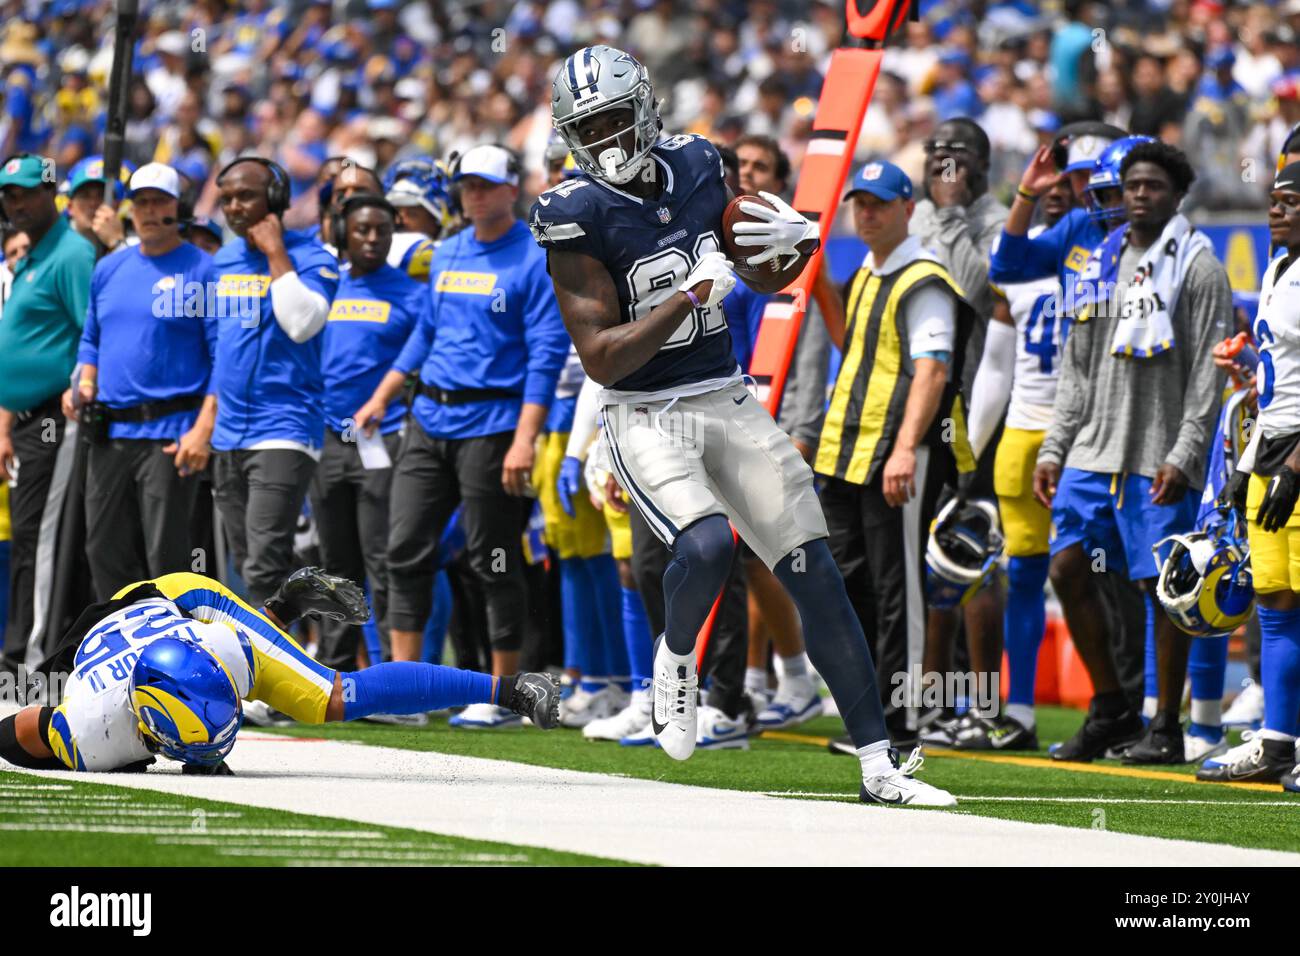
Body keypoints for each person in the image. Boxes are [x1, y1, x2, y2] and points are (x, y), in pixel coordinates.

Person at [533, 45, 953, 805]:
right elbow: (601, 358)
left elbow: (754, 271)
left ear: (647, 109)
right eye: (587, 129)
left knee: (815, 576)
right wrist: (689, 297)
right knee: (705, 542)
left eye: (616, 121)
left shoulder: (698, 163)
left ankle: (878, 766)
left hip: (724, 394)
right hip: (642, 413)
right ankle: (676, 657)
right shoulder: (574, 211)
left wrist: (782, 251)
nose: (607, 143)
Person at [354, 144, 569, 727]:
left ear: (511, 190)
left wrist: (526, 438)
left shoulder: (532, 258)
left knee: (491, 558)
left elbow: (545, 356)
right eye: (467, 185)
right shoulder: (447, 251)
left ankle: (505, 694)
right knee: (403, 549)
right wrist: (381, 396)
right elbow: (425, 333)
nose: (474, 193)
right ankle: (404, 691)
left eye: (485, 184)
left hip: (496, 423)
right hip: (430, 417)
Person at [1033, 142, 1231, 764]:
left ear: (1175, 196)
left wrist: (1187, 450)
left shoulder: (1199, 266)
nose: (1137, 196)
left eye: (1151, 187)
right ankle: (1111, 708)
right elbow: (1076, 367)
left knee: (1160, 590)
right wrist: (1055, 446)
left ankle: (1166, 727)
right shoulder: (1096, 264)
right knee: (1067, 568)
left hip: (1158, 453)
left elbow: (1209, 373)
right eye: (1128, 187)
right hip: (1092, 448)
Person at [0, 568, 560, 774]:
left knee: (328, 697)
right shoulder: (91, 729)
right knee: (54, 695)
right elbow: (15, 733)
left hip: (186, 605)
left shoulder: (223, 645)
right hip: (99, 640)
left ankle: (513, 689)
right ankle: (280, 609)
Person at [816, 159, 977, 745]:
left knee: (898, 589)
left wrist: (907, 448)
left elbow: (932, 373)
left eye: (880, 203)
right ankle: (871, 716)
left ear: (908, 209)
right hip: (851, 449)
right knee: (853, 582)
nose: (867, 212)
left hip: (893, 451)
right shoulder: (866, 269)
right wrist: (818, 289)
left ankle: (902, 722)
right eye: (860, 202)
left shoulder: (923, 278)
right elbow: (855, 349)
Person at [960, 171, 1075, 749]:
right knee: (1024, 573)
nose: (1058, 192)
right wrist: (969, 453)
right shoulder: (1021, 270)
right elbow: (996, 370)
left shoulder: (1108, 263)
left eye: (1071, 184)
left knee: (1096, 572)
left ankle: (1139, 708)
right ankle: (1022, 711)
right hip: (1025, 432)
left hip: (1087, 437)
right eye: (1047, 187)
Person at [66, 163, 216, 598]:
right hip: (110, 432)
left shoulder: (203, 270)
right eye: (142, 202)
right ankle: (125, 645)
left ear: (177, 208)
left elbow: (222, 357)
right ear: (130, 210)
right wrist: (86, 381)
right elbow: (92, 338)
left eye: (160, 202)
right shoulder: (109, 268)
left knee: (167, 559)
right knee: (103, 549)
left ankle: (175, 652)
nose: (150, 211)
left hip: (169, 435)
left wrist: (203, 430)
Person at [1203, 162, 1300, 788]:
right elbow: (1277, 384)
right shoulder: (1276, 269)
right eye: (1273, 198)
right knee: (1275, 601)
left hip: (1296, 450)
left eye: (1292, 200)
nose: (1277, 208)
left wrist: (1295, 461)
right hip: (1271, 445)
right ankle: (1278, 742)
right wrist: (1246, 466)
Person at [208, 156, 338, 607]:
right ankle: (265, 664)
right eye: (226, 199)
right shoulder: (223, 259)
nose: (234, 207)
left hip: (284, 429)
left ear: (277, 199)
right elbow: (218, 347)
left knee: (264, 563)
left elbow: (303, 323)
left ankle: (269, 672)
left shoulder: (313, 255)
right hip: (227, 435)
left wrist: (275, 253)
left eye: (245, 195)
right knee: (243, 568)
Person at [310, 193, 422, 674]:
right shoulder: (326, 288)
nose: (372, 239)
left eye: (381, 230)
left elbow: (418, 364)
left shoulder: (412, 294)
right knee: (335, 561)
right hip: (329, 440)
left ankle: (391, 674)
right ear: (343, 233)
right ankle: (337, 669)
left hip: (384, 438)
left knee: (383, 556)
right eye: (362, 230)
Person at [0, 153, 97, 673]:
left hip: (55, 420)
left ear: (51, 195)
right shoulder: (35, 256)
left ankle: (32, 659)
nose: (16, 203)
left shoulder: (71, 254)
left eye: (26, 193)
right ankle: (21, 652)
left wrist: (78, 384)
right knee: (29, 538)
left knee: (43, 539)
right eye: (8, 195)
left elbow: (92, 331)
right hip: (26, 419)